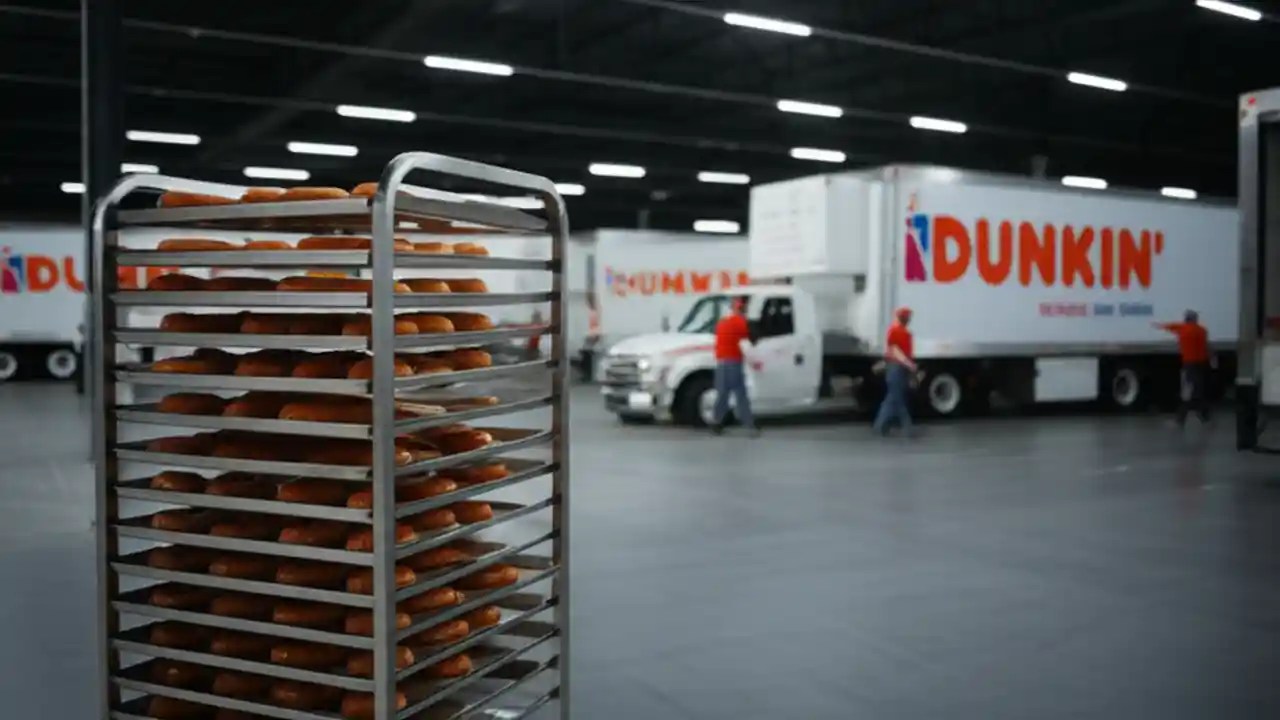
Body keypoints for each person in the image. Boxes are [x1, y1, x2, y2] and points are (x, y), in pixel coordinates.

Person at [710, 295, 758, 436]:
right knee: (740, 394)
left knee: (722, 394)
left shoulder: (722, 323)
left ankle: (717, 422)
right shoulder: (740, 323)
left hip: (721, 363)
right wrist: (754, 361)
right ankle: (749, 425)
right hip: (733, 363)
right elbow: (746, 344)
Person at [1154, 310, 1211, 426]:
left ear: (1186, 319)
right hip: (1201, 364)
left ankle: (1181, 419)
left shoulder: (1183, 329)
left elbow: (1173, 326)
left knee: (1187, 392)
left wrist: (1160, 326)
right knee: (1198, 390)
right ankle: (1204, 416)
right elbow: (1207, 347)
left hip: (1189, 365)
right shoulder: (1202, 331)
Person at [874, 307, 918, 436]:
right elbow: (895, 351)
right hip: (896, 369)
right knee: (896, 398)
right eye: (908, 317)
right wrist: (910, 364)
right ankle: (906, 427)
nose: (909, 320)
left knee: (893, 398)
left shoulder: (902, 332)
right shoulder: (896, 331)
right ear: (903, 318)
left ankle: (881, 426)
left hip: (898, 368)